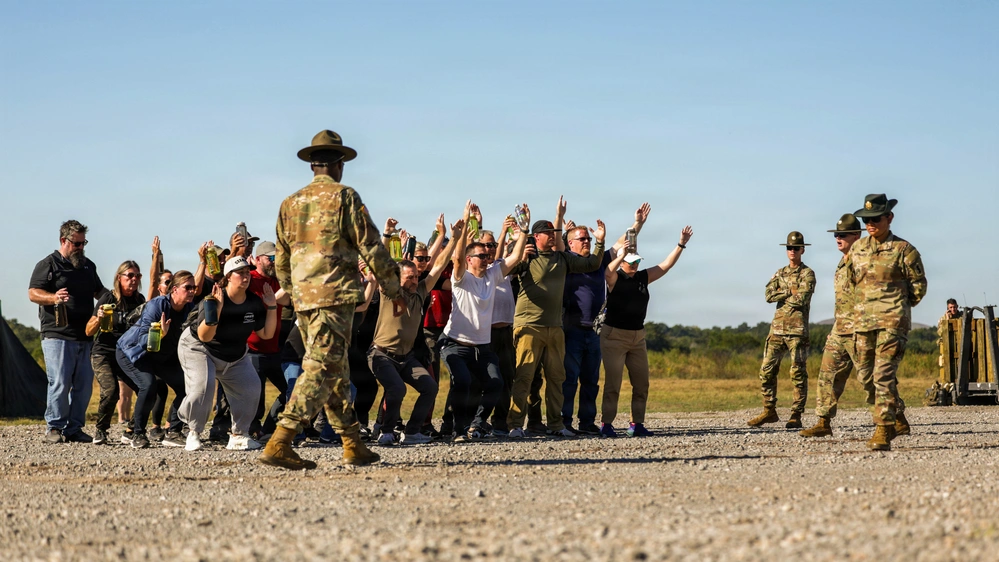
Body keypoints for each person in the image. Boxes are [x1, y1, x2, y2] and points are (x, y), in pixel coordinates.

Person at [259, 129, 404, 471]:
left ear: (312, 165)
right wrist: (394, 290)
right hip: (334, 296)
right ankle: (281, 439)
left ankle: (353, 443)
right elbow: (370, 245)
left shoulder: (289, 203)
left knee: (335, 370)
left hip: (304, 301)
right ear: (339, 165)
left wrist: (293, 293)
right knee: (321, 367)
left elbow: (281, 257)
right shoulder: (345, 197)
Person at [506, 198, 606, 438]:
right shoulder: (527, 257)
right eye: (548, 233)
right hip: (529, 326)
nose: (552, 236)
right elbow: (506, 271)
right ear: (537, 237)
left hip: (555, 327)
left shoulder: (562, 259)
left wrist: (600, 242)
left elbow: (592, 263)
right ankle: (516, 425)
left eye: (554, 233)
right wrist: (520, 253)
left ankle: (555, 425)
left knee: (557, 378)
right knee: (525, 377)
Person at [368, 220, 462, 445]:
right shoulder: (390, 290)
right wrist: (387, 235)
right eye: (408, 277)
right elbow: (379, 265)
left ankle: (411, 432)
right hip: (381, 355)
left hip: (406, 357)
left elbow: (438, 265)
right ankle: (387, 431)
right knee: (397, 389)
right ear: (398, 278)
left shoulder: (420, 290)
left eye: (415, 276)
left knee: (429, 386)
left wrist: (455, 238)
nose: (413, 280)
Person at [561, 202, 651, 435]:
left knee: (591, 381)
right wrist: (560, 222)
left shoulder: (599, 260)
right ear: (570, 243)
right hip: (571, 329)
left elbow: (622, 244)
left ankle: (588, 422)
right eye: (582, 239)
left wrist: (637, 224)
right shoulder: (566, 261)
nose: (587, 243)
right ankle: (564, 423)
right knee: (569, 379)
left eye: (589, 240)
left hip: (595, 331)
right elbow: (554, 248)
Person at [441, 203, 527, 440]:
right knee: (464, 383)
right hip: (456, 344)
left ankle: (477, 424)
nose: (487, 257)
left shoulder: (492, 274)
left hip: (482, 346)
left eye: (488, 255)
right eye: (482, 255)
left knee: (496, 383)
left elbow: (517, 256)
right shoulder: (461, 278)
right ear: (470, 259)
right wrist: (465, 222)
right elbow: (457, 258)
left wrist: (525, 230)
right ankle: (457, 430)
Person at [600, 225, 693, 437]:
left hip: (637, 337)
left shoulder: (643, 277)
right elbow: (607, 272)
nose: (634, 265)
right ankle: (606, 424)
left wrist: (681, 244)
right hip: (614, 335)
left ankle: (637, 424)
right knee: (613, 384)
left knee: (641, 383)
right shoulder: (615, 278)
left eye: (636, 262)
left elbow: (666, 265)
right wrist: (621, 254)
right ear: (623, 263)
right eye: (630, 262)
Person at [850, 194, 926, 450]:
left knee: (883, 375)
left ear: (889, 218)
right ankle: (896, 417)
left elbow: (919, 286)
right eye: (866, 219)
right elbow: (852, 283)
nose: (870, 223)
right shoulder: (857, 249)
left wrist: (899, 309)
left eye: (875, 218)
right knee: (865, 377)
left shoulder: (904, 250)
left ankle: (883, 429)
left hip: (892, 323)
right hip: (863, 323)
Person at [177, 257, 277, 451]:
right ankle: (193, 433)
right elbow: (205, 337)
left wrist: (271, 305)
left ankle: (239, 435)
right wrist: (218, 309)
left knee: (251, 387)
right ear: (229, 277)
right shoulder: (214, 299)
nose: (246, 276)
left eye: (248, 272)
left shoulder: (254, 302)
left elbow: (266, 334)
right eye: (240, 273)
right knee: (202, 387)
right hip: (199, 348)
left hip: (234, 354)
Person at [28, 220, 105, 444]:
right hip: (57, 335)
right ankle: (54, 427)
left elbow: (100, 292)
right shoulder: (48, 264)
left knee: (83, 385)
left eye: (84, 243)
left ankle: (74, 428)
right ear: (64, 240)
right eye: (77, 244)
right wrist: (54, 298)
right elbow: (33, 293)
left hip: (85, 335)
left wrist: (115, 298)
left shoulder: (88, 266)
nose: (81, 248)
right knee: (60, 382)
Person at [800, 215, 875, 437]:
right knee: (827, 375)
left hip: (859, 329)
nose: (838, 238)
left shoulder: (863, 260)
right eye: (836, 235)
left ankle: (896, 416)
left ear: (857, 235)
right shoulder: (843, 261)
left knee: (870, 377)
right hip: (840, 329)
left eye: (842, 235)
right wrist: (835, 328)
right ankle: (823, 422)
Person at [115, 270, 197, 448]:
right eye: (188, 287)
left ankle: (173, 432)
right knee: (149, 385)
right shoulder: (157, 306)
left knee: (187, 386)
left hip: (162, 355)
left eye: (194, 287)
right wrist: (160, 333)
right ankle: (137, 434)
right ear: (174, 289)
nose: (192, 291)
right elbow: (143, 339)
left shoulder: (190, 308)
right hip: (133, 352)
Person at [747, 231, 816, 429]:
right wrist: (788, 291)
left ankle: (796, 414)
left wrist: (783, 293)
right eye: (789, 248)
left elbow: (802, 298)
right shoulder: (780, 272)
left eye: (796, 248)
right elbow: (768, 295)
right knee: (766, 371)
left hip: (797, 331)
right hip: (777, 330)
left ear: (803, 250)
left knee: (797, 372)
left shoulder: (808, 273)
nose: (792, 251)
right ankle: (769, 410)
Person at [85, 261, 146, 445]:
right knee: (111, 391)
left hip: (126, 354)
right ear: (119, 278)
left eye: (137, 276)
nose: (133, 279)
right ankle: (101, 430)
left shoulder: (139, 300)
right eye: (129, 275)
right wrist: (99, 319)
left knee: (148, 388)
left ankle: (131, 430)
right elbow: (88, 331)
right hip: (103, 352)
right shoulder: (107, 298)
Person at [246, 240, 293, 437]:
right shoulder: (250, 279)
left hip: (274, 350)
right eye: (271, 258)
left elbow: (283, 299)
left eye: (277, 258)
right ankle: (252, 431)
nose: (274, 262)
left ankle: (268, 429)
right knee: (256, 397)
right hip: (252, 350)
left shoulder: (278, 281)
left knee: (291, 392)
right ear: (258, 260)